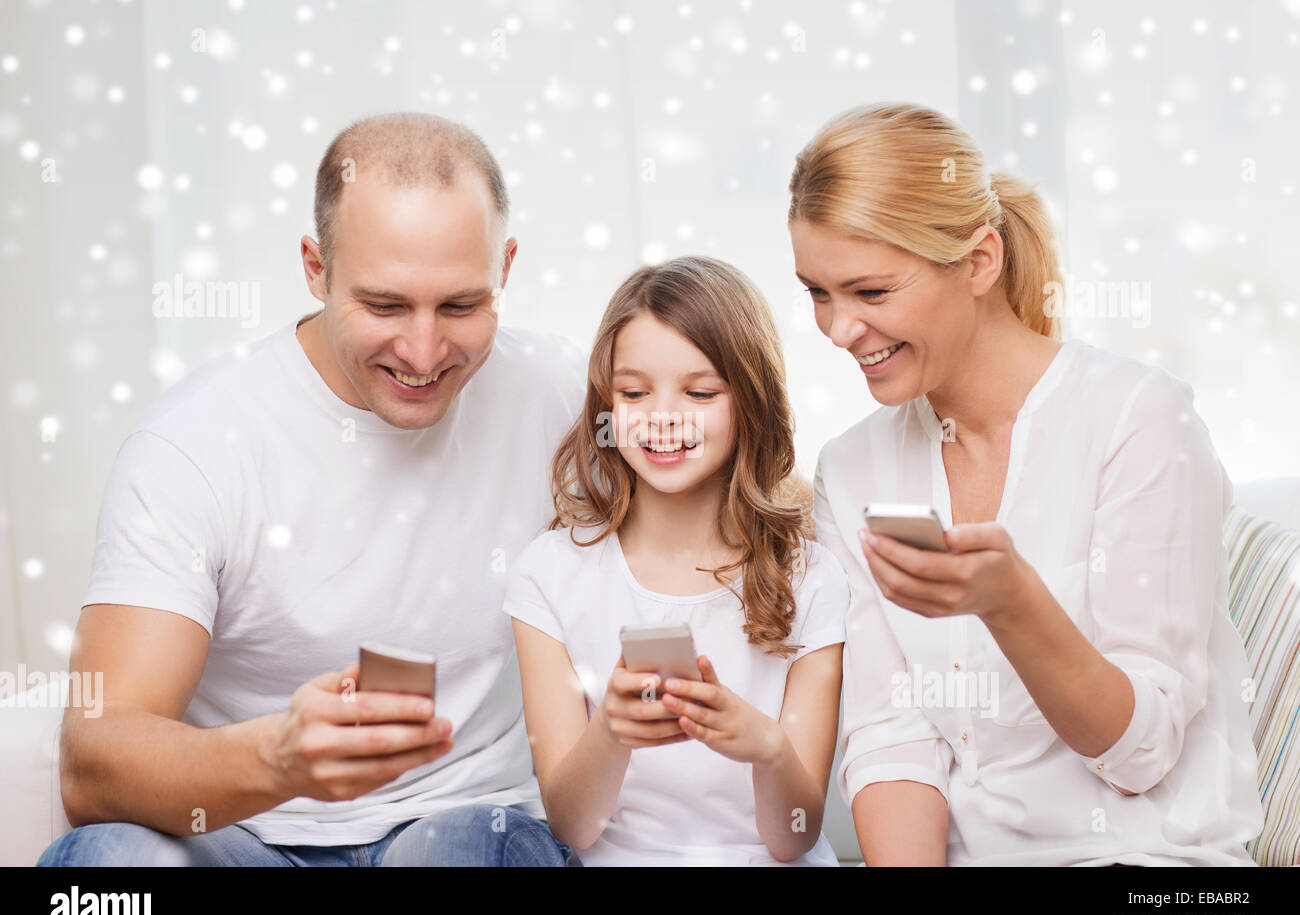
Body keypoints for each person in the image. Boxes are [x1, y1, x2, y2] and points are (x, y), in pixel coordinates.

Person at [38, 112, 586, 867]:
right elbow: (92, 759)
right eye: (385, 306)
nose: (424, 353)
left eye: (461, 306)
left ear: (506, 269)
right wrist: (279, 759)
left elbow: (732, 469)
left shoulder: (559, 394)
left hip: (461, 828)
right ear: (315, 267)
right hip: (245, 838)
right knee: (107, 864)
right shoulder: (195, 442)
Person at [790, 102, 1263, 865]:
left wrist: (1013, 604)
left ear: (980, 262)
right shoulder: (851, 471)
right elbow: (892, 744)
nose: (839, 330)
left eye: (870, 293)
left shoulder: (1139, 422)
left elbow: (1140, 753)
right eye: (818, 293)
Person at [503, 256, 848, 866]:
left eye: (700, 392)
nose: (663, 416)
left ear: (751, 402)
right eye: (635, 392)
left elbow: (793, 836)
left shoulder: (812, 578)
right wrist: (610, 731)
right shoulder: (548, 575)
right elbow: (573, 827)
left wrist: (767, 747)